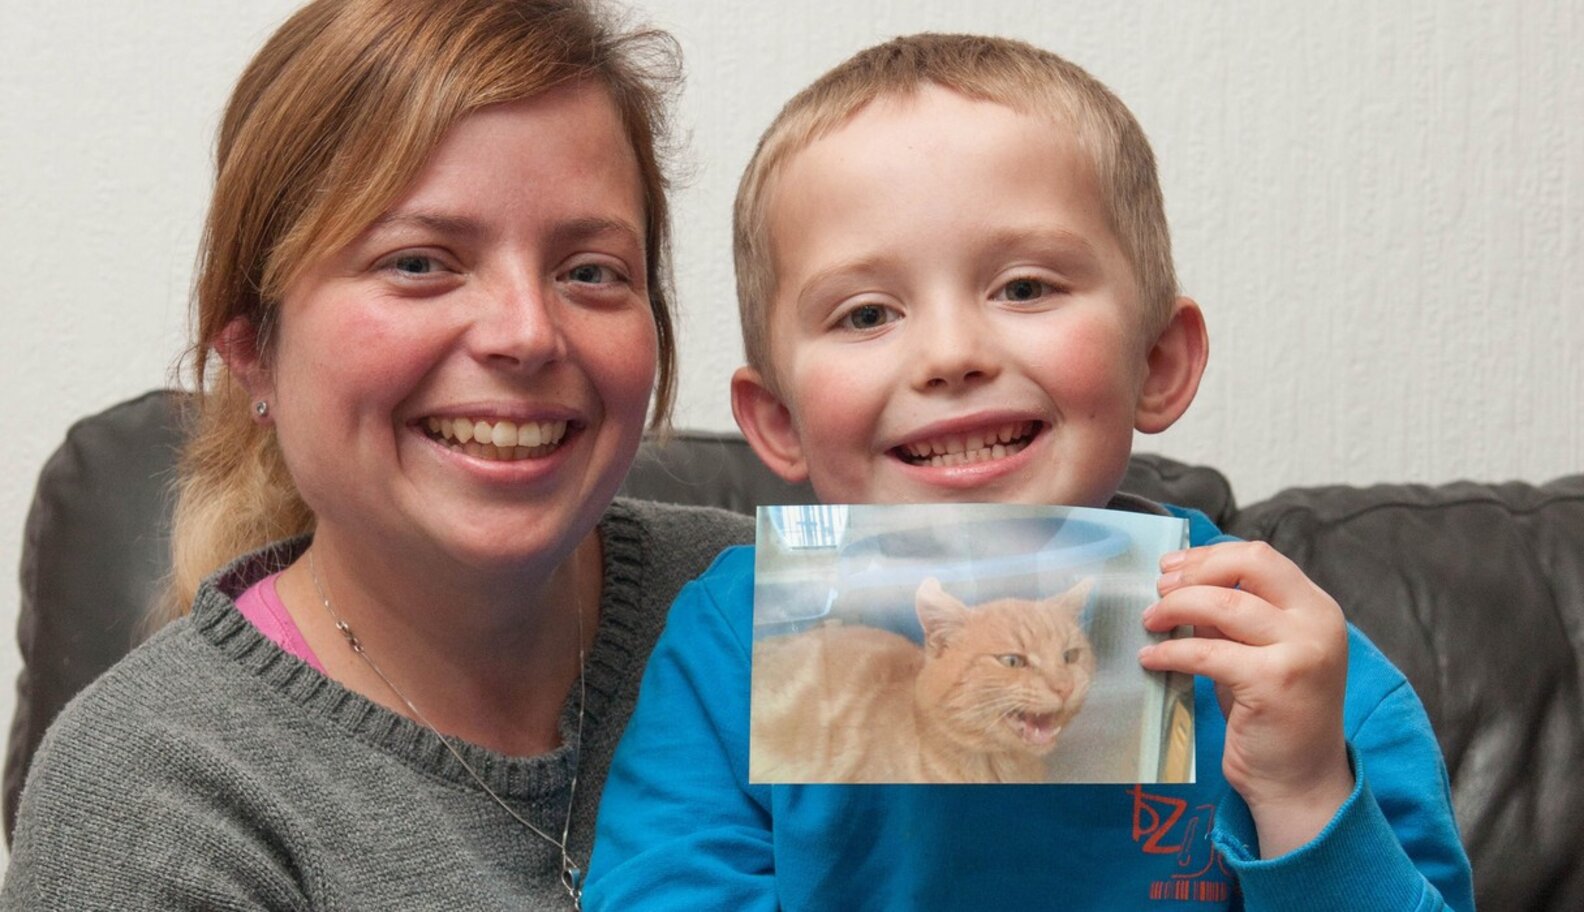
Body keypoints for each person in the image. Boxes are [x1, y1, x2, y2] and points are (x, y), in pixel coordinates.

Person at [585, 33, 1474, 910]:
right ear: (779, 422)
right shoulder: (735, 649)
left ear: (1158, 361)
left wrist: (1306, 795)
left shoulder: (1291, 666)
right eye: (865, 314)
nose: (951, 353)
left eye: (1024, 288)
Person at [1, 1, 751, 909]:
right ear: (251, 347)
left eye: (590, 271)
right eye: (420, 262)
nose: (526, 332)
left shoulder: (770, 606)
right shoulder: (148, 797)